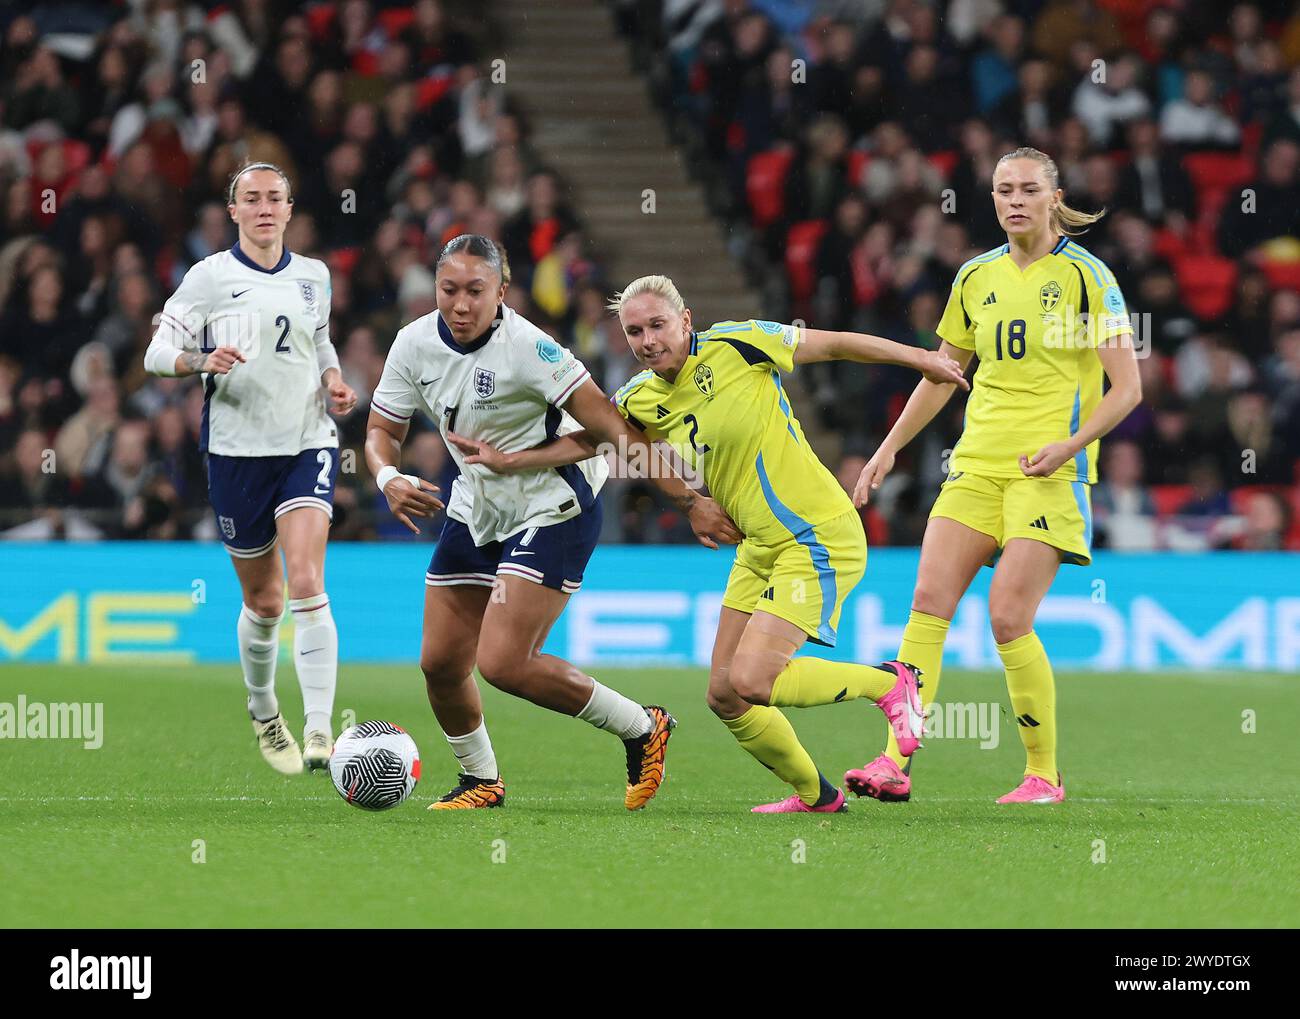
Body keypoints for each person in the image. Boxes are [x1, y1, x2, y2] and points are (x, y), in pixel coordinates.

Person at [450, 277, 970, 814]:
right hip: (759, 547)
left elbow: (834, 342)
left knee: (754, 677)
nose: (648, 340)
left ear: (686, 320)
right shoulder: (641, 396)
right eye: (634, 332)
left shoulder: (739, 344)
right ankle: (817, 796)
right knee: (725, 692)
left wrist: (921, 358)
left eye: (657, 325)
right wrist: (512, 459)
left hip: (815, 534)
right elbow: (595, 438)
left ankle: (890, 682)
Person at [364, 235, 739, 811]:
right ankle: (481, 781)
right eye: (448, 290)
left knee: (503, 664)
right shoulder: (413, 344)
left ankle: (642, 726)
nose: (460, 305)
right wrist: (389, 476)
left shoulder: (533, 352)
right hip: (478, 503)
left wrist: (688, 501)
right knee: (439, 662)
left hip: (552, 505)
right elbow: (380, 432)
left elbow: (615, 432)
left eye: (475, 291)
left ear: (502, 292)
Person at [848, 146, 1142, 805]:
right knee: (928, 601)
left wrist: (1068, 447)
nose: (1015, 200)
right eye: (1004, 189)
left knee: (1008, 615)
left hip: (1049, 472)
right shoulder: (974, 276)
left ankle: (1044, 772)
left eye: (1028, 189)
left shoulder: (1087, 277)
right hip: (975, 465)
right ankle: (895, 759)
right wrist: (889, 448)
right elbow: (943, 375)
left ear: (1053, 196)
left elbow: (1127, 389)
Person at [143, 162, 357, 775]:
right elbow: (157, 353)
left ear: (290, 210)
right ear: (233, 211)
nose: (264, 208)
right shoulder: (209, 278)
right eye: (251, 199)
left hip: (307, 442)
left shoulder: (315, 277)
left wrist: (333, 378)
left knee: (307, 581)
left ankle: (321, 732)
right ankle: (264, 710)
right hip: (237, 453)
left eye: (275, 199)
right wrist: (200, 359)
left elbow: (318, 340)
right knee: (265, 603)